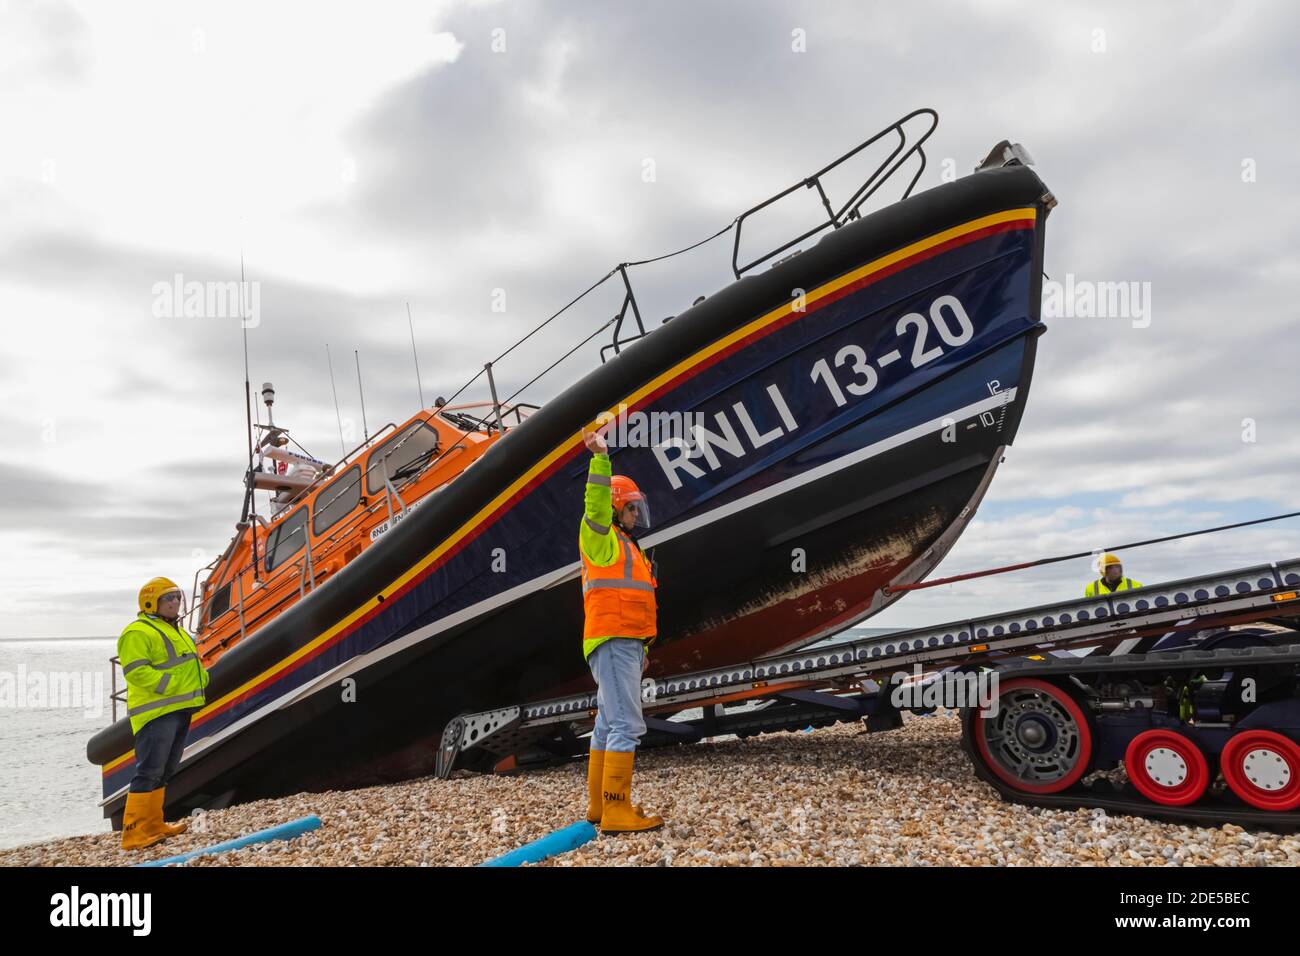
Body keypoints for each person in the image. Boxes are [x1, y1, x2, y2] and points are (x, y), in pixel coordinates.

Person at [579, 428, 664, 833]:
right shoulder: (601, 538)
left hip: (623, 642)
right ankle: (617, 809)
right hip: (612, 640)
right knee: (627, 724)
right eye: (630, 508)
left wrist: (643, 646)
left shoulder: (629, 547)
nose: (635, 515)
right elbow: (594, 505)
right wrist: (600, 458)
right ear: (615, 509)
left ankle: (600, 806)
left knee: (608, 723)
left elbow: (636, 600)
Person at [117, 577, 210, 850]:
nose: (175, 602)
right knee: (149, 769)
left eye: (177, 597)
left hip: (179, 708)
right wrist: (171, 685)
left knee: (166, 768)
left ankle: (154, 824)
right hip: (156, 712)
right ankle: (133, 832)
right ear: (150, 602)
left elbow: (187, 664)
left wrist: (201, 679)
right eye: (168, 598)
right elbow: (136, 672)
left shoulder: (175, 630)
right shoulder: (138, 632)